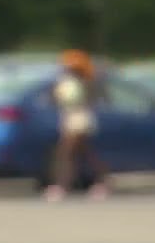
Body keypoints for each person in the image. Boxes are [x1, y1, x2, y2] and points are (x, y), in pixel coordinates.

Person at [45, 49, 109, 202]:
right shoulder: (64, 82)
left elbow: (92, 99)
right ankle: (102, 182)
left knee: (65, 153)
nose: (67, 69)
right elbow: (55, 100)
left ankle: (62, 186)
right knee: (85, 154)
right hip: (68, 119)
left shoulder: (86, 82)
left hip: (80, 119)